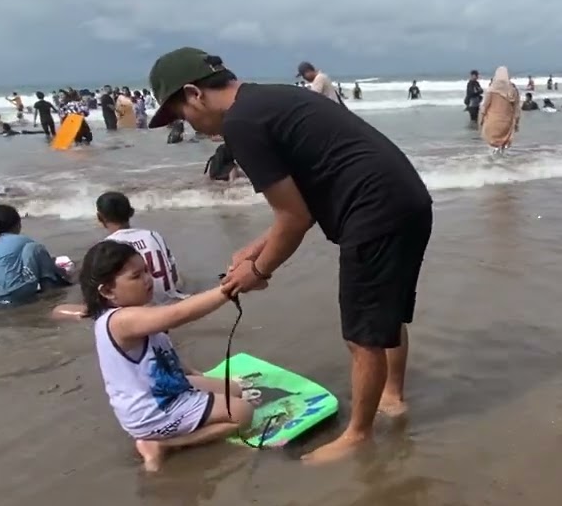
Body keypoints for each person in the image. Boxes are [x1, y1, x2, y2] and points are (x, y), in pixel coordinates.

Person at [146, 47, 433, 463]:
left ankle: (358, 435)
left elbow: (294, 218)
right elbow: (306, 206)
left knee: (362, 335)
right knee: (384, 315)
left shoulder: (241, 125)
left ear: (194, 94)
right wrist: (256, 247)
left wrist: (258, 270)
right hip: (407, 201)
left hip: (373, 213)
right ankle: (392, 396)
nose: (188, 125)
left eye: (181, 115)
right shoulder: (270, 99)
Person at [78, 239, 254, 472]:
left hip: (161, 388)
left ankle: (173, 429)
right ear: (108, 291)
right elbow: (178, 314)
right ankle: (165, 444)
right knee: (243, 413)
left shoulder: (138, 313)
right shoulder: (120, 320)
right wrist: (228, 288)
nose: (147, 279)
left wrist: (198, 377)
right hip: (154, 410)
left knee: (235, 389)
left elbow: (163, 356)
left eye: (146, 271)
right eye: (136, 276)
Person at [0, 204, 71, 306]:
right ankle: (49, 289)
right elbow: (33, 255)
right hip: (15, 292)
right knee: (34, 249)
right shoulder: (24, 241)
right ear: (17, 225)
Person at [97, 191, 186, 304]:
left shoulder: (106, 247)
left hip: (141, 310)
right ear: (131, 212)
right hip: (171, 299)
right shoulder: (153, 235)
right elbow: (173, 275)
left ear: (100, 217)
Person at [479, 66, 521, 155]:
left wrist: (481, 120)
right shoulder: (513, 90)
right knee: (503, 145)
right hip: (506, 123)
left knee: (492, 145)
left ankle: (493, 163)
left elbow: (484, 107)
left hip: (492, 122)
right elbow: (517, 109)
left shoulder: (492, 89)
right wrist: (516, 123)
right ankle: (502, 160)